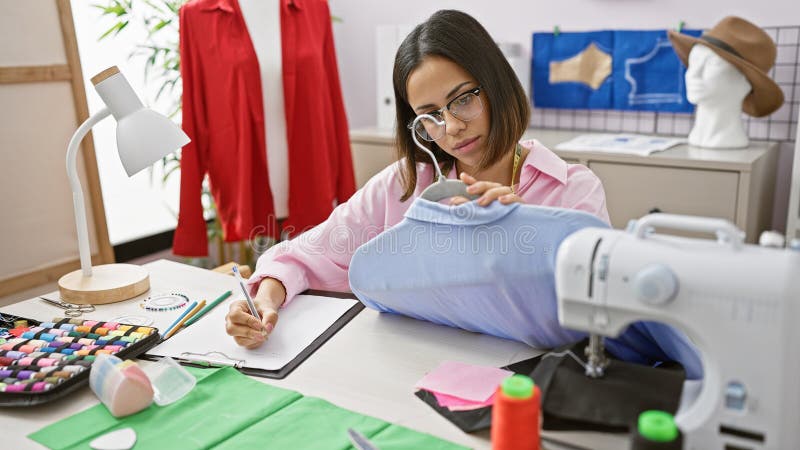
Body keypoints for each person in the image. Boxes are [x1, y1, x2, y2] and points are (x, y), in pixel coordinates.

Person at [225, 9, 609, 349]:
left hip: (522, 384)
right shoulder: (404, 186)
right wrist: (266, 301)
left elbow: (598, 309)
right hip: (413, 374)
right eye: (431, 116)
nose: (454, 127)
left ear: (497, 84)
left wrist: (531, 231)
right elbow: (308, 253)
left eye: (463, 99)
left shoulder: (571, 189)